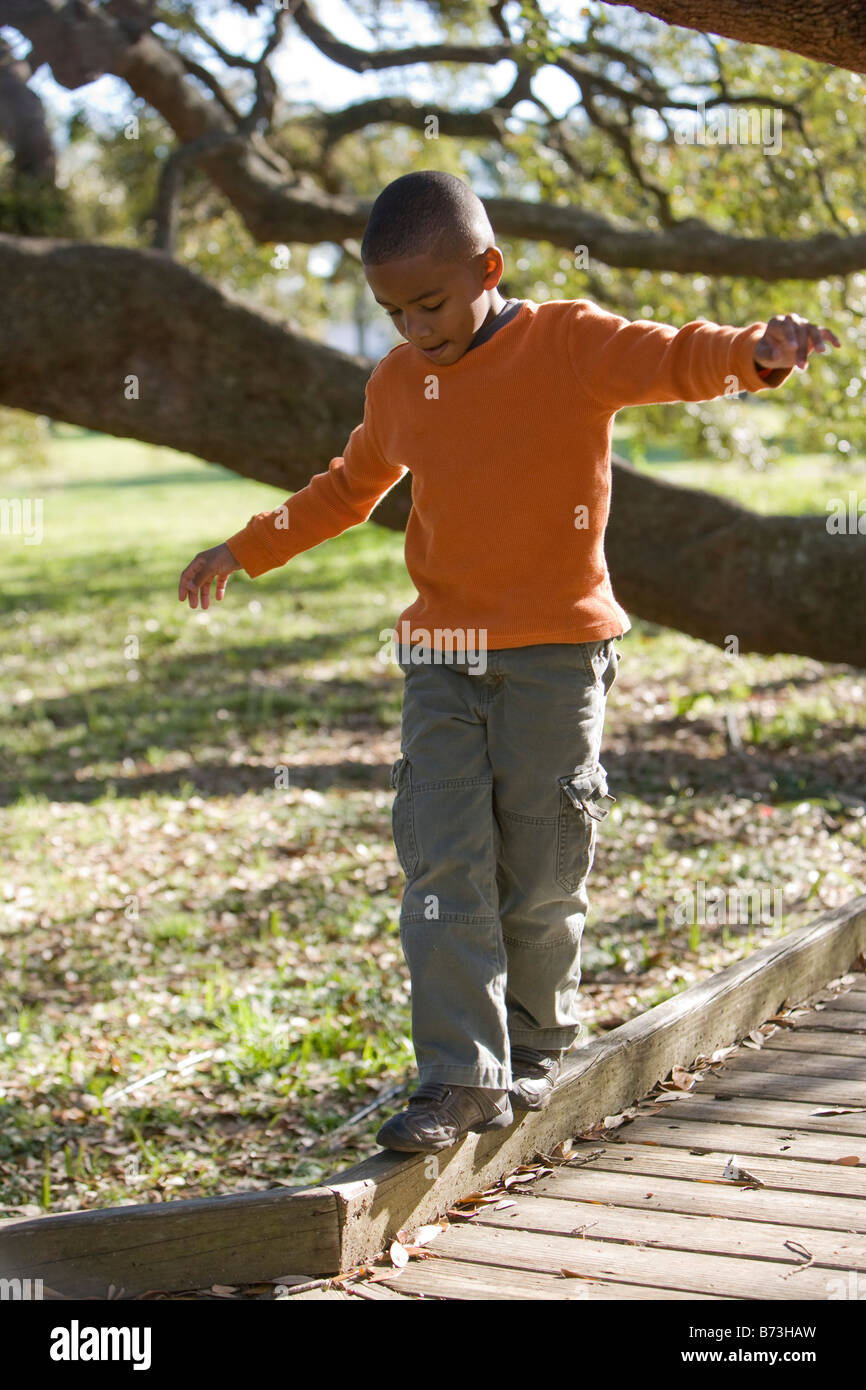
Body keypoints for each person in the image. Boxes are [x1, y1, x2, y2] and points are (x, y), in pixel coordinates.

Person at [178, 170, 839, 1155]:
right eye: (391, 311)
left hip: (557, 656)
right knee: (442, 858)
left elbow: (671, 357)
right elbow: (345, 488)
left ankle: (530, 1044)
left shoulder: (567, 342)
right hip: (441, 656)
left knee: (538, 863)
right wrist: (245, 545)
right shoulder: (400, 382)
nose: (411, 327)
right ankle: (457, 1074)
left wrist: (755, 354)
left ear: (486, 267)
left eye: (428, 303)